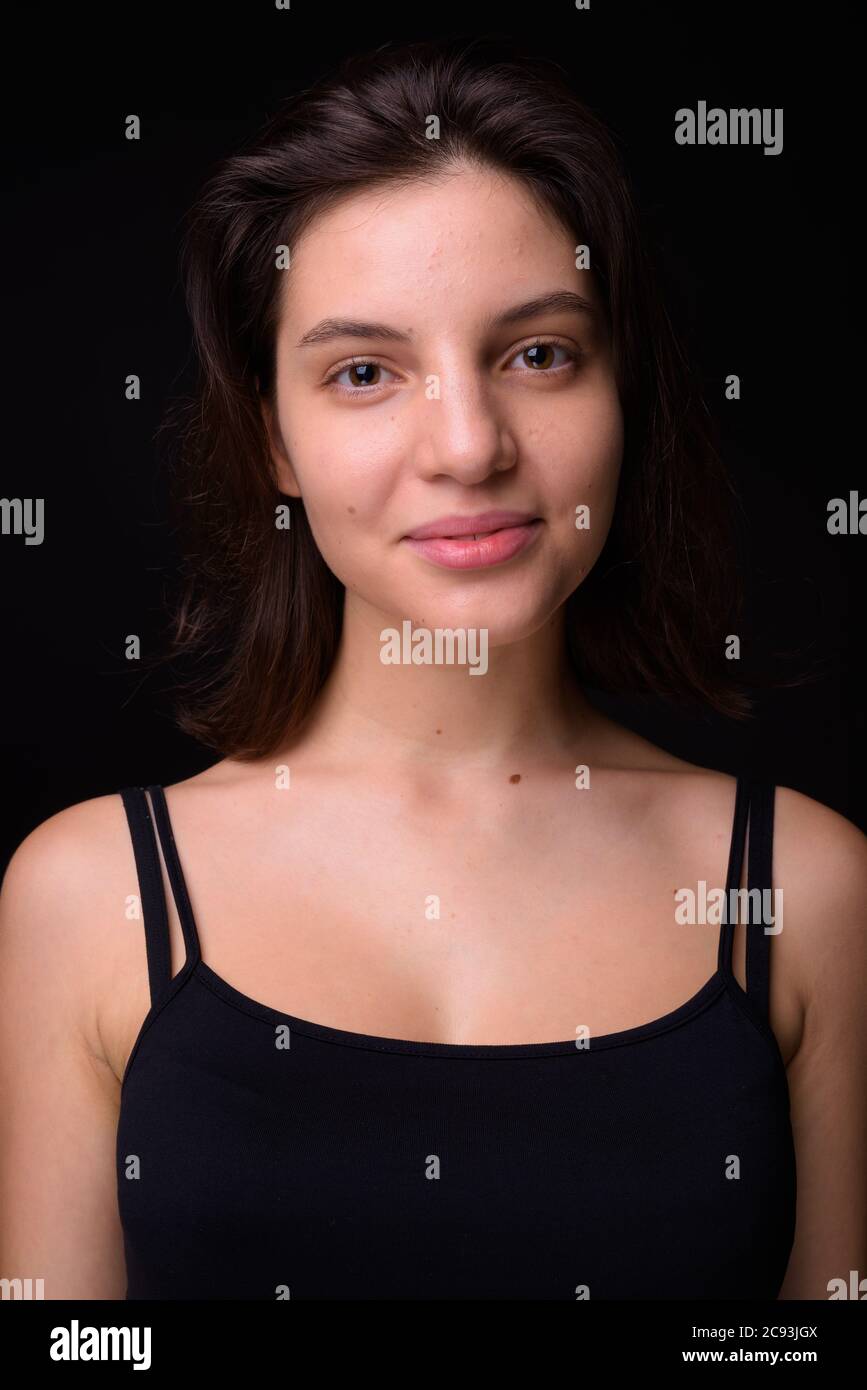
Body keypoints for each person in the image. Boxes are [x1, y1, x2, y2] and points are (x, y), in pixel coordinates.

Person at [1, 38, 865, 1301]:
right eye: (365, 372)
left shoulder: (807, 892)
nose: (468, 445)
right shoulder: (87, 896)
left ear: (625, 388)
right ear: (272, 440)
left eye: (538, 353)